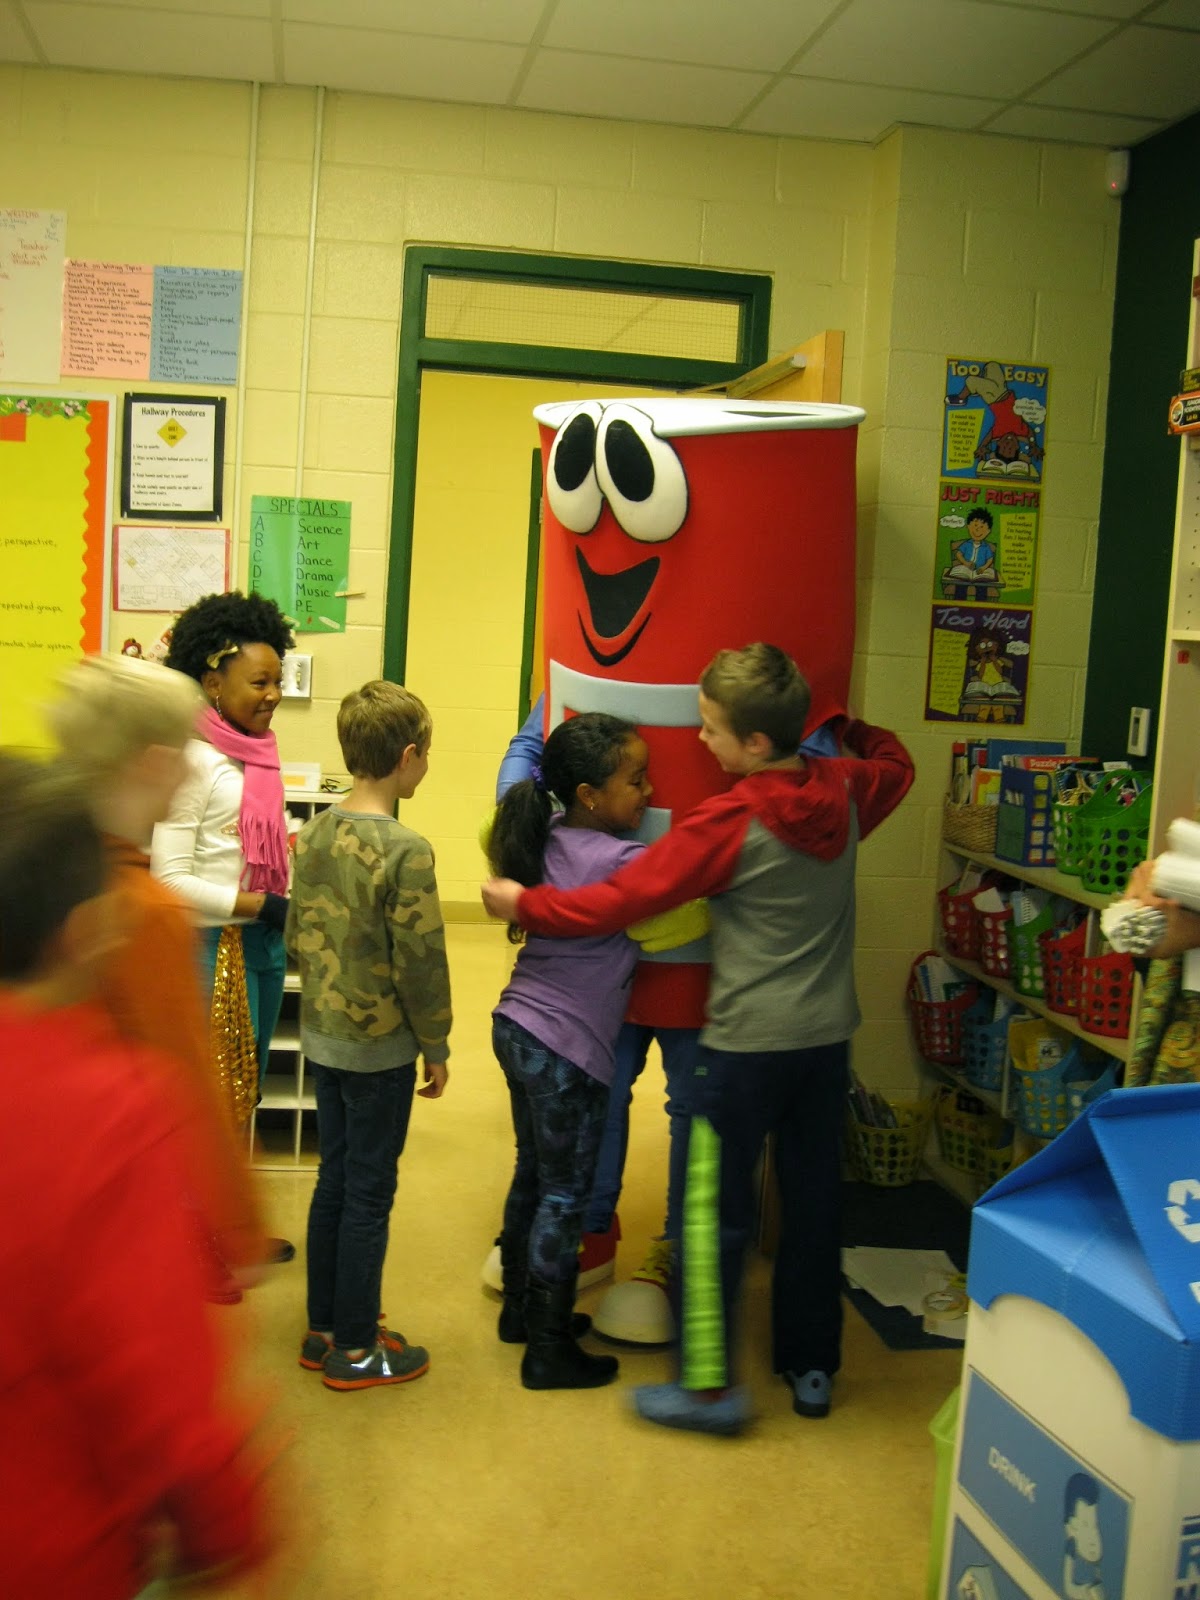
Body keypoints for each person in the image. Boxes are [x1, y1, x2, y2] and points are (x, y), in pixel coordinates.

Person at [483, 643, 914, 1433]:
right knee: (815, 1208)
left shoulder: (729, 819)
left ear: (754, 743)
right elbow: (898, 762)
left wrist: (525, 906)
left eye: (711, 729)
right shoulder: (851, 789)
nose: (700, 742)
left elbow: (620, 899)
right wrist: (844, 725)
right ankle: (812, 1368)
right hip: (825, 1046)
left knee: (711, 1216)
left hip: (742, 1048)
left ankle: (710, 1389)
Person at [0, 754, 274, 1598]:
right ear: (83, 931)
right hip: (51, 1544)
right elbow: (160, 1381)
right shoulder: (104, 1111)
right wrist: (228, 1523)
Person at [45, 653, 267, 1300]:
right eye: (187, 745)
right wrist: (239, 1225)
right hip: (117, 1200)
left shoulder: (47, 874)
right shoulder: (146, 912)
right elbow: (187, 1078)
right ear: (153, 761)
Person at [288, 680, 451, 1391]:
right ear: (408, 757)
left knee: (335, 1179)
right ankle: (357, 1349)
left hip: (324, 1039)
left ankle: (323, 1328)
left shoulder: (314, 834)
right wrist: (437, 1046)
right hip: (382, 1051)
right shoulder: (408, 851)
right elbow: (423, 964)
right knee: (369, 1194)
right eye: (428, 755)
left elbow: (298, 937)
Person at [488, 711, 653, 1389]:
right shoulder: (625, 861)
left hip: (517, 1027)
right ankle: (549, 1348)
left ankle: (523, 1314)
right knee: (564, 1194)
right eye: (636, 780)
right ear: (588, 794)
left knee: (532, 1174)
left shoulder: (544, 831)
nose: (647, 792)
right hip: (566, 1049)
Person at [150, 590, 296, 1263]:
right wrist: (255, 904)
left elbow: (245, 845)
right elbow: (168, 880)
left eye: (277, 680)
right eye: (258, 682)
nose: (272, 694)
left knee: (246, 1090)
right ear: (212, 683)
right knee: (209, 1100)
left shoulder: (257, 756)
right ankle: (193, 1245)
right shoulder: (194, 764)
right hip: (215, 946)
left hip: (259, 944)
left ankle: (228, 1228)